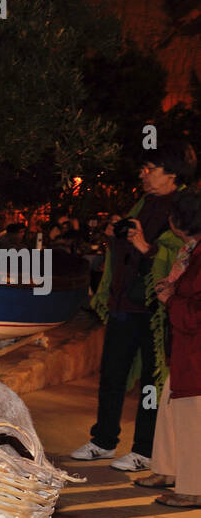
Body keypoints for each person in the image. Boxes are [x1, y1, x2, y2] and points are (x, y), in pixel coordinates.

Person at [72, 141, 196, 471]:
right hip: (124, 302)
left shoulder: (185, 206)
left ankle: (145, 448)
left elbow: (183, 254)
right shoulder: (143, 203)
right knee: (111, 375)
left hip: (157, 312)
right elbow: (128, 252)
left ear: (172, 174)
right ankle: (103, 441)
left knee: (151, 384)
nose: (143, 175)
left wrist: (146, 247)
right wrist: (117, 233)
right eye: (143, 169)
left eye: (150, 169)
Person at [136, 191, 201, 506]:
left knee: (191, 418)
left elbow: (194, 314)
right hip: (186, 350)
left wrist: (170, 299)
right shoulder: (192, 251)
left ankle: (193, 488)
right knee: (169, 406)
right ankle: (167, 469)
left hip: (195, 352)